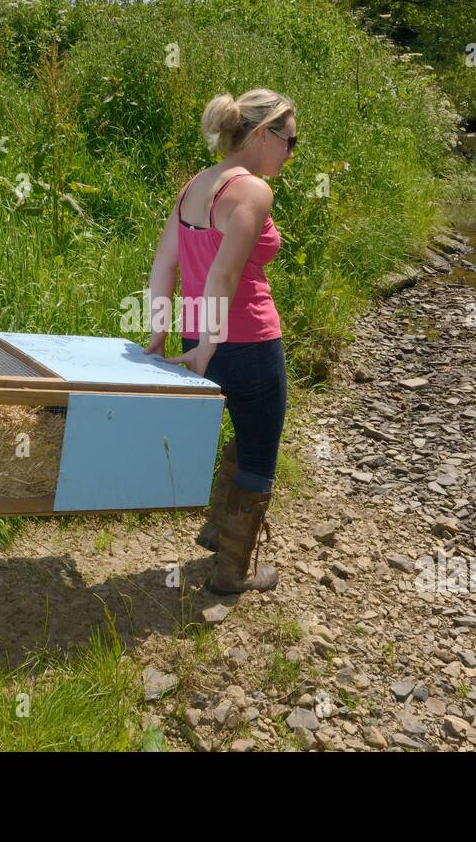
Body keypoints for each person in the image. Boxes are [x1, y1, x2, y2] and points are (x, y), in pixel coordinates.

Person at [143, 89, 295, 594]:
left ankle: (218, 529)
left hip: (197, 332)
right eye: (289, 141)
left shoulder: (195, 185)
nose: (292, 152)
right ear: (260, 134)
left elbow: (165, 265)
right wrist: (210, 345)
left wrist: (161, 332)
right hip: (246, 339)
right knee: (259, 451)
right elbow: (224, 276)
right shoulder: (252, 192)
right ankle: (233, 571)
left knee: (244, 435)